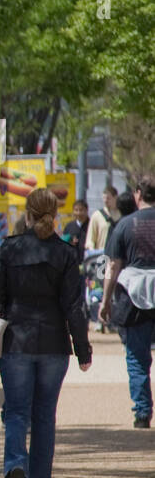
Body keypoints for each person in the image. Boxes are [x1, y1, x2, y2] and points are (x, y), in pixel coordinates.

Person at [0, 188, 92, 478]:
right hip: (54, 344)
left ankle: (16, 465)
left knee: (17, 412)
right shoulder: (65, 254)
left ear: (28, 214)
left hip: (15, 342)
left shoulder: (8, 250)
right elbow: (75, 307)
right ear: (56, 216)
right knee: (45, 415)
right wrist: (83, 350)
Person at [100, 174, 155, 428]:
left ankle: (142, 413)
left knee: (136, 357)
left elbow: (113, 267)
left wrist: (106, 300)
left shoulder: (124, 225)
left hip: (133, 298)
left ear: (138, 195)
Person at [86, 186, 119, 252]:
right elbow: (90, 239)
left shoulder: (122, 215)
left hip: (118, 255)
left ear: (115, 197)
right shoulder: (97, 215)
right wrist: (92, 250)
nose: (105, 201)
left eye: (108, 198)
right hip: (102, 254)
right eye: (104, 198)